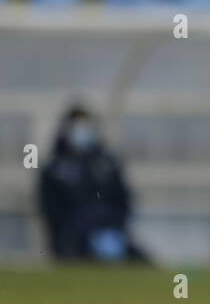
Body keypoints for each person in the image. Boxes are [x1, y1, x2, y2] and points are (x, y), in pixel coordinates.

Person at [39, 105, 147, 263]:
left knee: (140, 263)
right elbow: (51, 209)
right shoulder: (55, 168)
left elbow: (122, 200)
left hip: (111, 234)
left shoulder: (107, 164)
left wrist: (112, 226)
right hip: (72, 240)